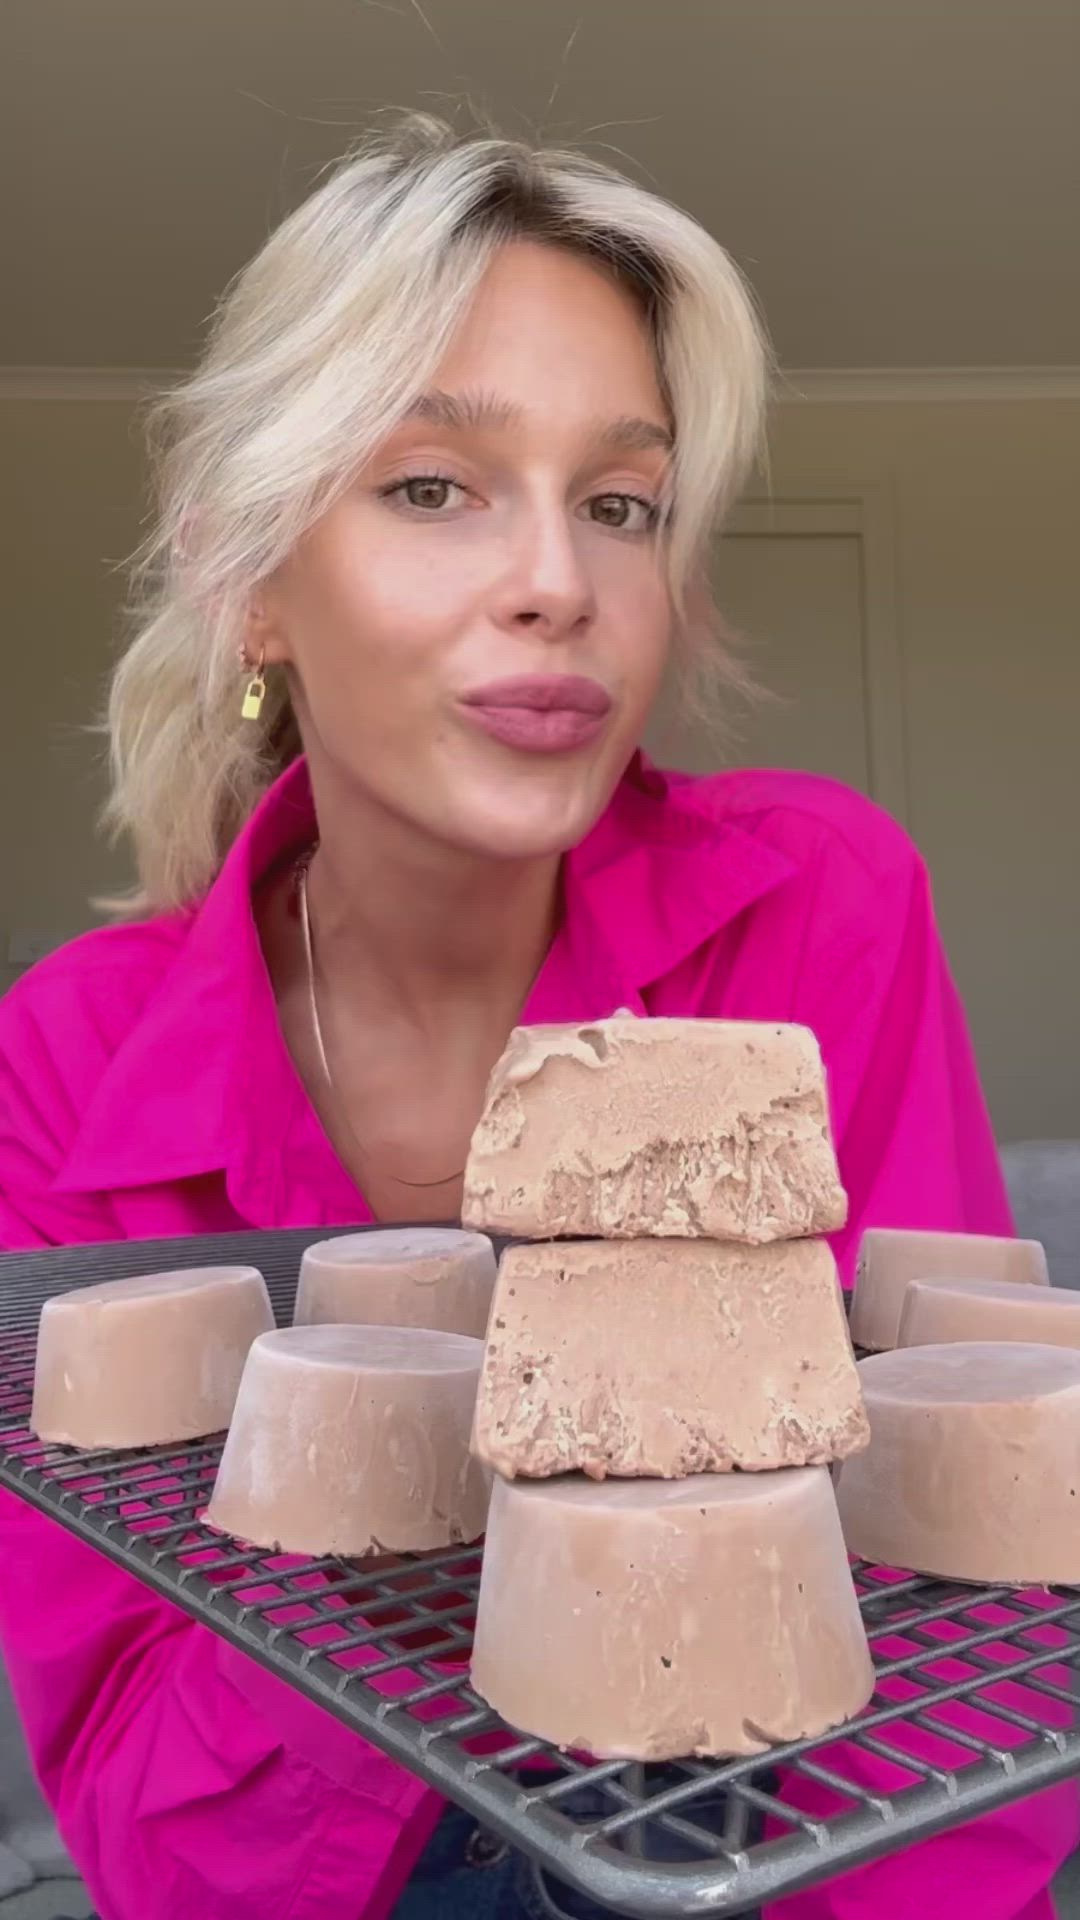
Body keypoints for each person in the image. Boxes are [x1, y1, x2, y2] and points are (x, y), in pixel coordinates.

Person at [0, 115, 1072, 1920]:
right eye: (434, 486)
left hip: (764, 1821)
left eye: (621, 503)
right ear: (248, 579)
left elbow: (971, 1642)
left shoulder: (827, 908)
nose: (561, 583)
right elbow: (135, 1805)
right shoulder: (67, 1059)